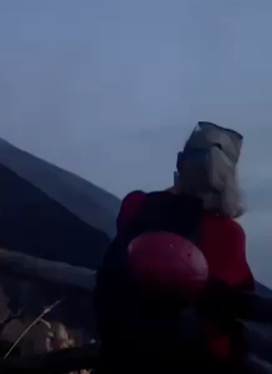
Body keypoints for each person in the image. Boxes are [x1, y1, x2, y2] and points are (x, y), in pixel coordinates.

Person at [94, 121, 255, 373]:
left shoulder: (135, 206)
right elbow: (235, 299)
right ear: (228, 178)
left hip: (121, 357)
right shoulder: (227, 234)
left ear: (180, 163)